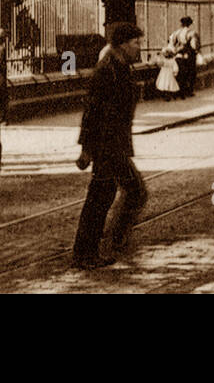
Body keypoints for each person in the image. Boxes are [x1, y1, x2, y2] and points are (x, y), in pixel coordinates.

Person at [72, 22, 149, 269]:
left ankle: (104, 244)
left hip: (115, 144)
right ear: (123, 45)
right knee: (105, 196)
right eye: (136, 43)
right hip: (106, 145)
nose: (139, 48)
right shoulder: (108, 70)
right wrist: (86, 148)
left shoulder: (121, 68)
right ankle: (89, 252)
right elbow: (91, 111)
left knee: (119, 194)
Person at [170, 16, 200, 98]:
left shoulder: (176, 33)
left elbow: (172, 44)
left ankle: (179, 90)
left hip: (178, 55)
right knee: (191, 73)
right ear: (190, 23)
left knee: (180, 73)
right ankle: (189, 91)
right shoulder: (192, 33)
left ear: (181, 24)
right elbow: (194, 46)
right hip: (189, 56)